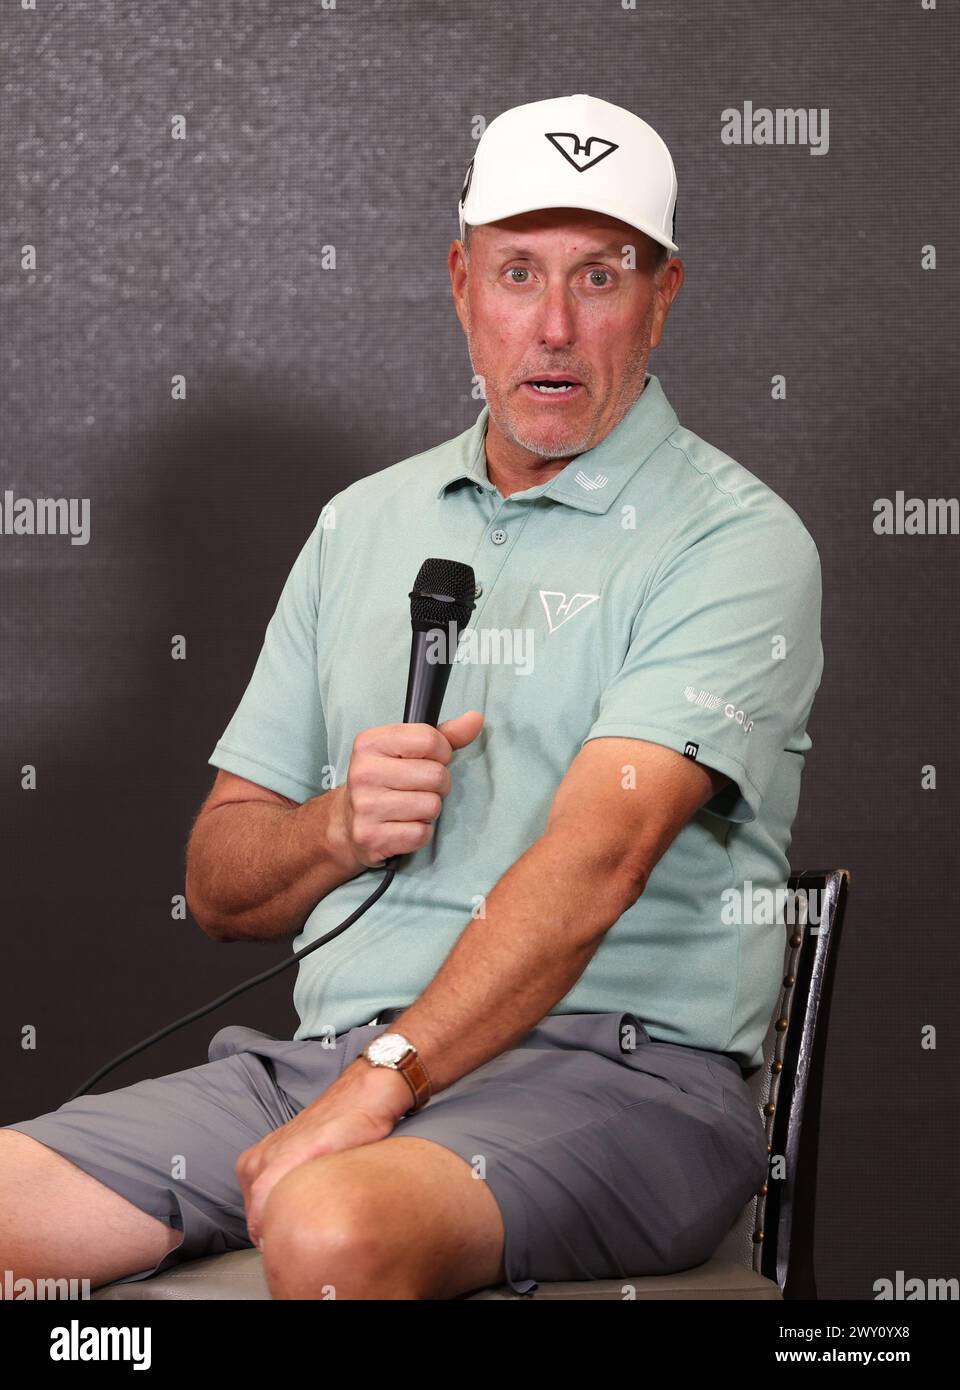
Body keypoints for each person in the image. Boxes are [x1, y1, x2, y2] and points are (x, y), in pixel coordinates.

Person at [1, 94, 823, 1299]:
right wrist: (337, 826)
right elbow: (221, 885)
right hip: (322, 1064)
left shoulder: (735, 540)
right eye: (518, 272)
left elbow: (598, 860)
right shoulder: (361, 525)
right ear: (461, 283)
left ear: (663, 295)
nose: (553, 326)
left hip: (617, 1081)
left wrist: (383, 1083)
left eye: (600, 278)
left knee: (329, 1227)